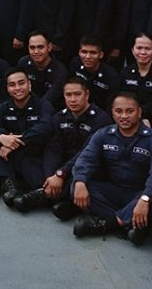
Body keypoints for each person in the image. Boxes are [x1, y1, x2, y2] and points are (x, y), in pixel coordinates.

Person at [70, 91, 152, 245]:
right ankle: (132, 222)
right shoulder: (103, 134)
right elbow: (85, 159)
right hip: (113, 190)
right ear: (113, 113)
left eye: (130, 111)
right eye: (119, 111)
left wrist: (145, 198)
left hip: (139, 193)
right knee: (76, 186)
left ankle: (108, 223)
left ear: (139, 112)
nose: (124, 116)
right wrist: (80, 181)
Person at [15, 76, 113, 215]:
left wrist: (61, 174)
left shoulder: (101, 120)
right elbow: (53, 149)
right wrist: (52, 175)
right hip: (62, 166)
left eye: (77, 94)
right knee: (27, 161)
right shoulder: (59, 117)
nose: (73, 99)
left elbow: (86, 153)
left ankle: (44, 196)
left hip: (85, 167)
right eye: (68, 95)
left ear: (87, 95)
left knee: (85, 178)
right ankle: (56, 195)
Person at [0, 69, 54, 206]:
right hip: (9, 156)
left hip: (33, 155)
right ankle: (8, 183)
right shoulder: (2, 107)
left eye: (21, 83)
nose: (17, 88)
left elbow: (46, 128)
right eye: (12, 85)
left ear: (29, 84)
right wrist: (1, 137)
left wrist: (14, 141)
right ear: (7, 88)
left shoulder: (43, 105)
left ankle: (0, 178)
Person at [119, 33, 152, 127]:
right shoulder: (125, 72)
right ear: (132, 50)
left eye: (147, 49)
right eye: (139, 48)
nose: (143, 52)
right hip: (126, 118)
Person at [67, 36, 120, 112]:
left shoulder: (111, 75)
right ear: (79, 52)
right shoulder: (75, 64)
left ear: (101, 55)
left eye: (93, 53)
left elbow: (111, 104)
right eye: (84, 52)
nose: (88, 57)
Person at [17, 31, 69, 104]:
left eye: (40, 47)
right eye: (32, 48)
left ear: (49, 47)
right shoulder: (23, 63)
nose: (36, 51)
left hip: (50, 109)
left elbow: (50, 99)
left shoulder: (60, 71)